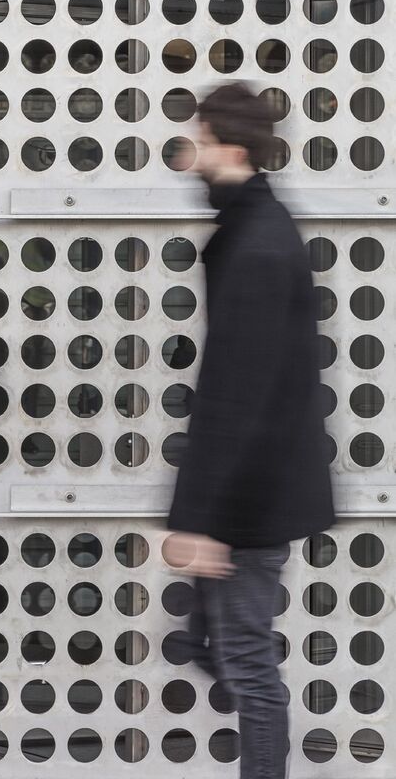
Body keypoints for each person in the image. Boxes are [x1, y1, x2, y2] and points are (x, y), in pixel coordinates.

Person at [165, 82, 335, 779]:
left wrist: (205, 523)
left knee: (248, 666)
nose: (191, 154)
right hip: (249, 495)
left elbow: (237, 395)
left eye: (201, 141)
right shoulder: (250, 227)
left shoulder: (257, 244)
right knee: (216, 645)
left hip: (249, 503)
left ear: (230, 147)